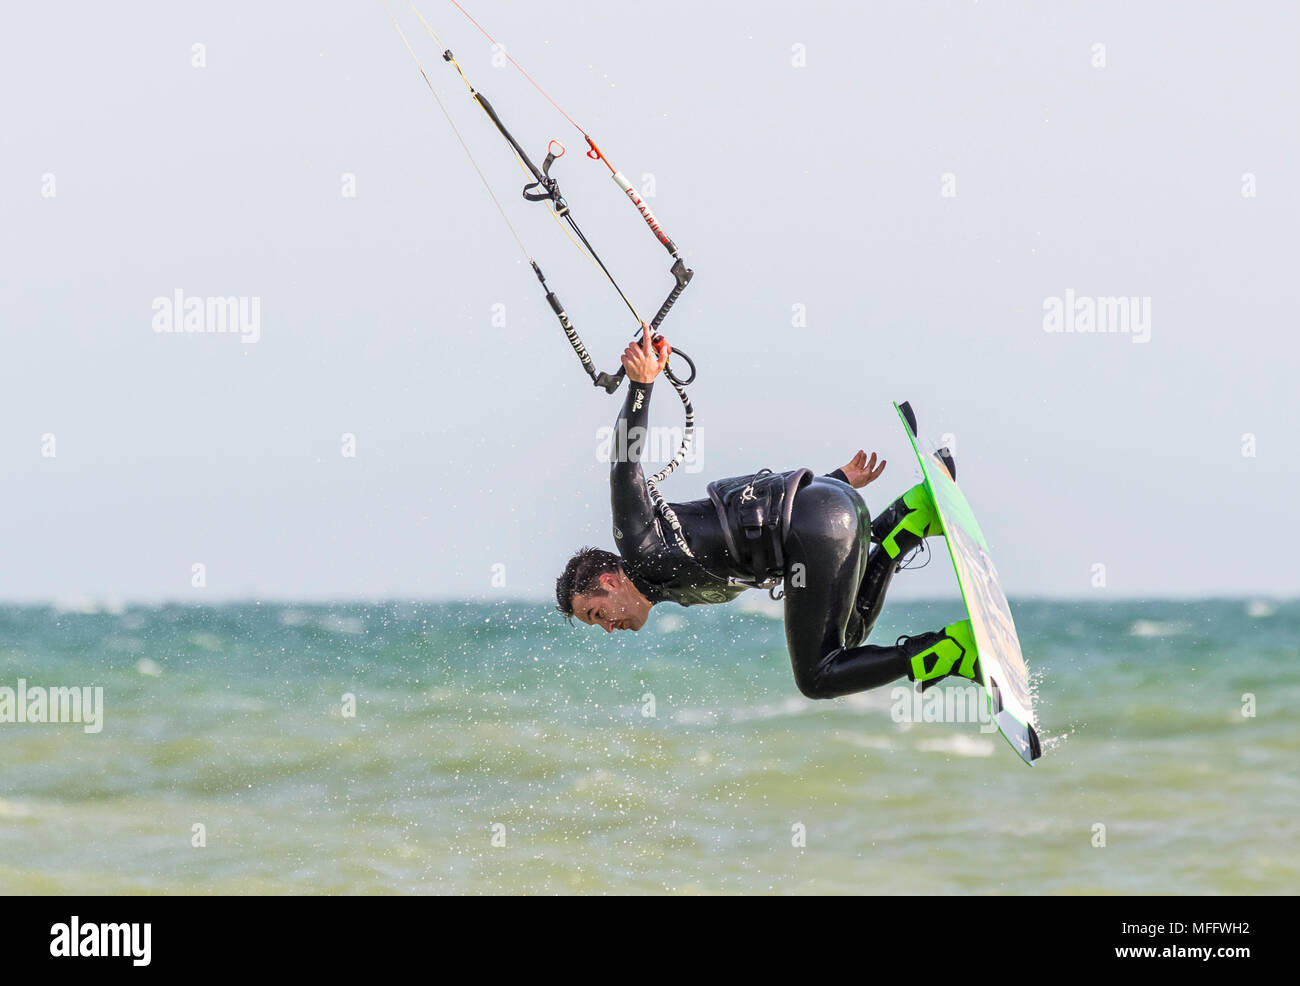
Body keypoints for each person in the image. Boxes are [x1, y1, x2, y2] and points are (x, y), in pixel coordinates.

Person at [555, 327, 981, 699]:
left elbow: (622, 464)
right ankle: (906, 523)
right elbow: (745, 524)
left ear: (610, 582)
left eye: (597, 615)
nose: (608, 629)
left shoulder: (638, 545)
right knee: (846, 639)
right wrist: (837, 482)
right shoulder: (665, 587)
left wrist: (640, 386)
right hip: (826, 510)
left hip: (816, 523)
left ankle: (951, 651)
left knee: (817, 677)